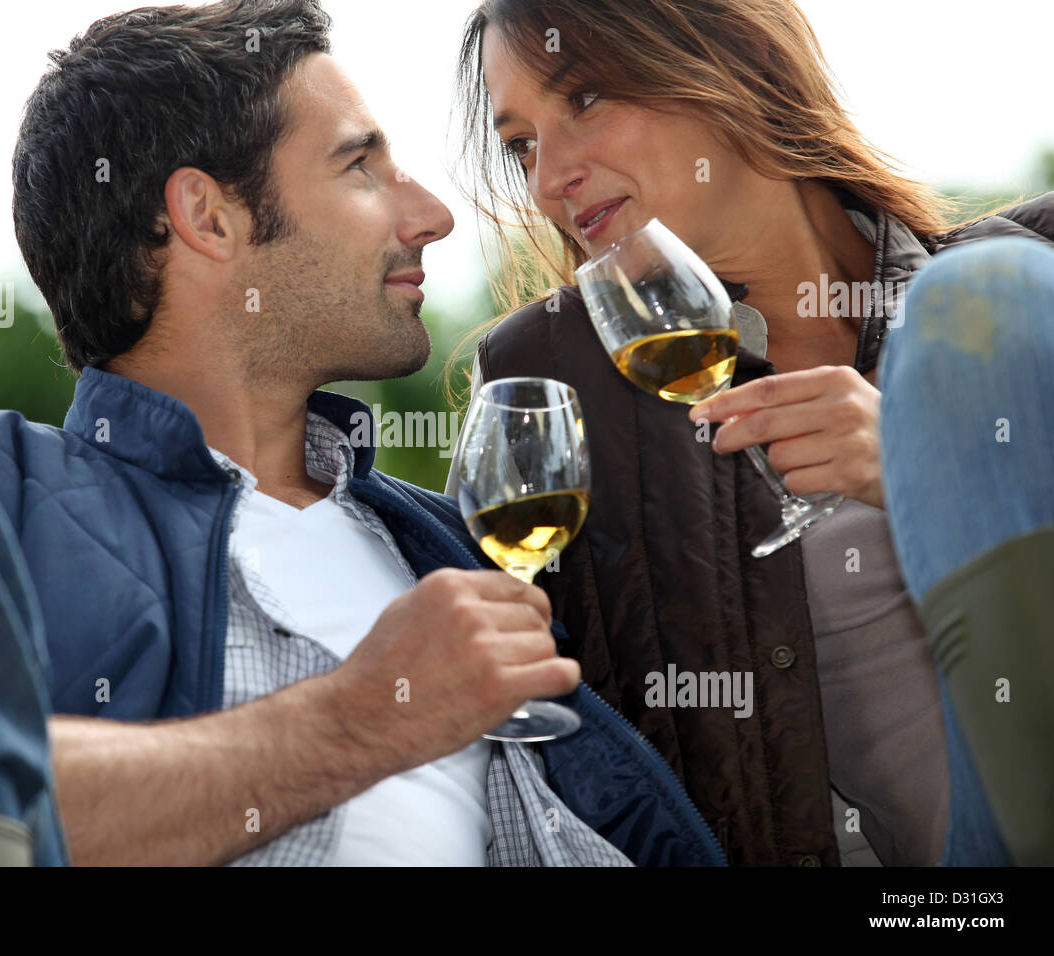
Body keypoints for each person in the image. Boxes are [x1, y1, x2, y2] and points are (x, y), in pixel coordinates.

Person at [0, 1, 726, 867]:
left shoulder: (463, 543)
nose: (431, 216)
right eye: (359, 165)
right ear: (208, 217)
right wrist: (357, 717)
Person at [446, 0, 1054, 865]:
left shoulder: (1025, 287)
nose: (549, 180)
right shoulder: (557, 385)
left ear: (732, 59)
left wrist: (919, 468)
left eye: (583, 99)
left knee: (989, 298)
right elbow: (490, 705)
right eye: (521, 145)